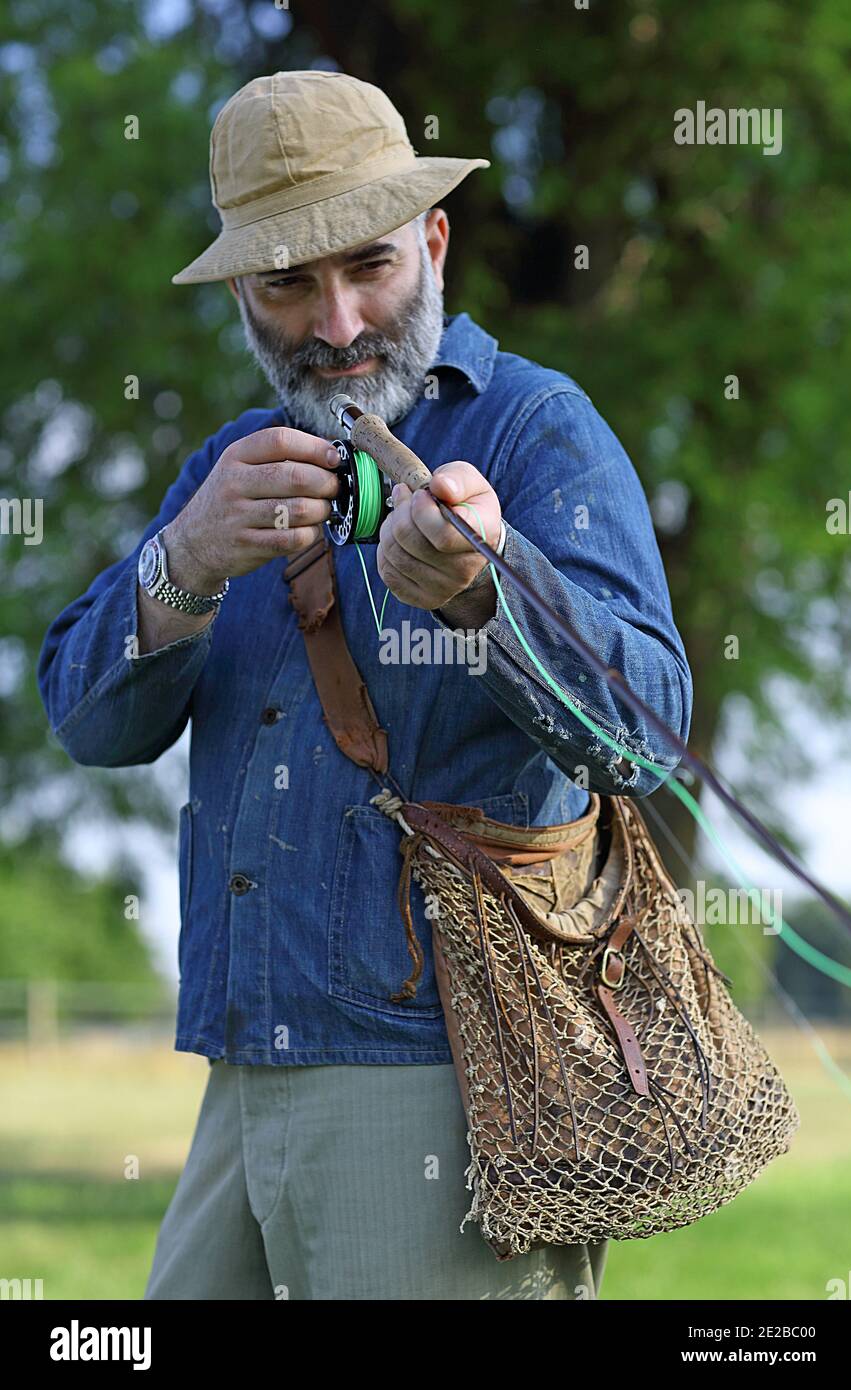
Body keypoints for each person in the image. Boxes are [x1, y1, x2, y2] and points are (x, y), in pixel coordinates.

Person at [37, 70, 692, 1300]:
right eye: (287, 283)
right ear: (242, 293)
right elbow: (87, 721)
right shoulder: (219, 468)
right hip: (239, 1074)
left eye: (368, 267)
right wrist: (183, 563)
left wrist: (487, 591)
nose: (335, 324)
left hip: (454, 1077)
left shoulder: (535, 427)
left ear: (433, 243)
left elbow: (647, 735)